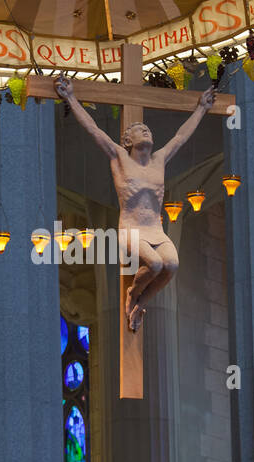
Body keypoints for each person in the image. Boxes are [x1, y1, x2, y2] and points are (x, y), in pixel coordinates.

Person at [55, 76, 216, 330]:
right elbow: (94, 130)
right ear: (127, 141)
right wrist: (72, 98)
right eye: (139, 130)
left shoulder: (159, 159)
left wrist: (202, 108)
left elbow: (181, 136)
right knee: (154, 263)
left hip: (156, 230)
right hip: (130, 230)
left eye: (148, 129)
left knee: (171, 264)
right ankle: (132, 295)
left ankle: (141, 302)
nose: (146, 131)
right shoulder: (119, 157)